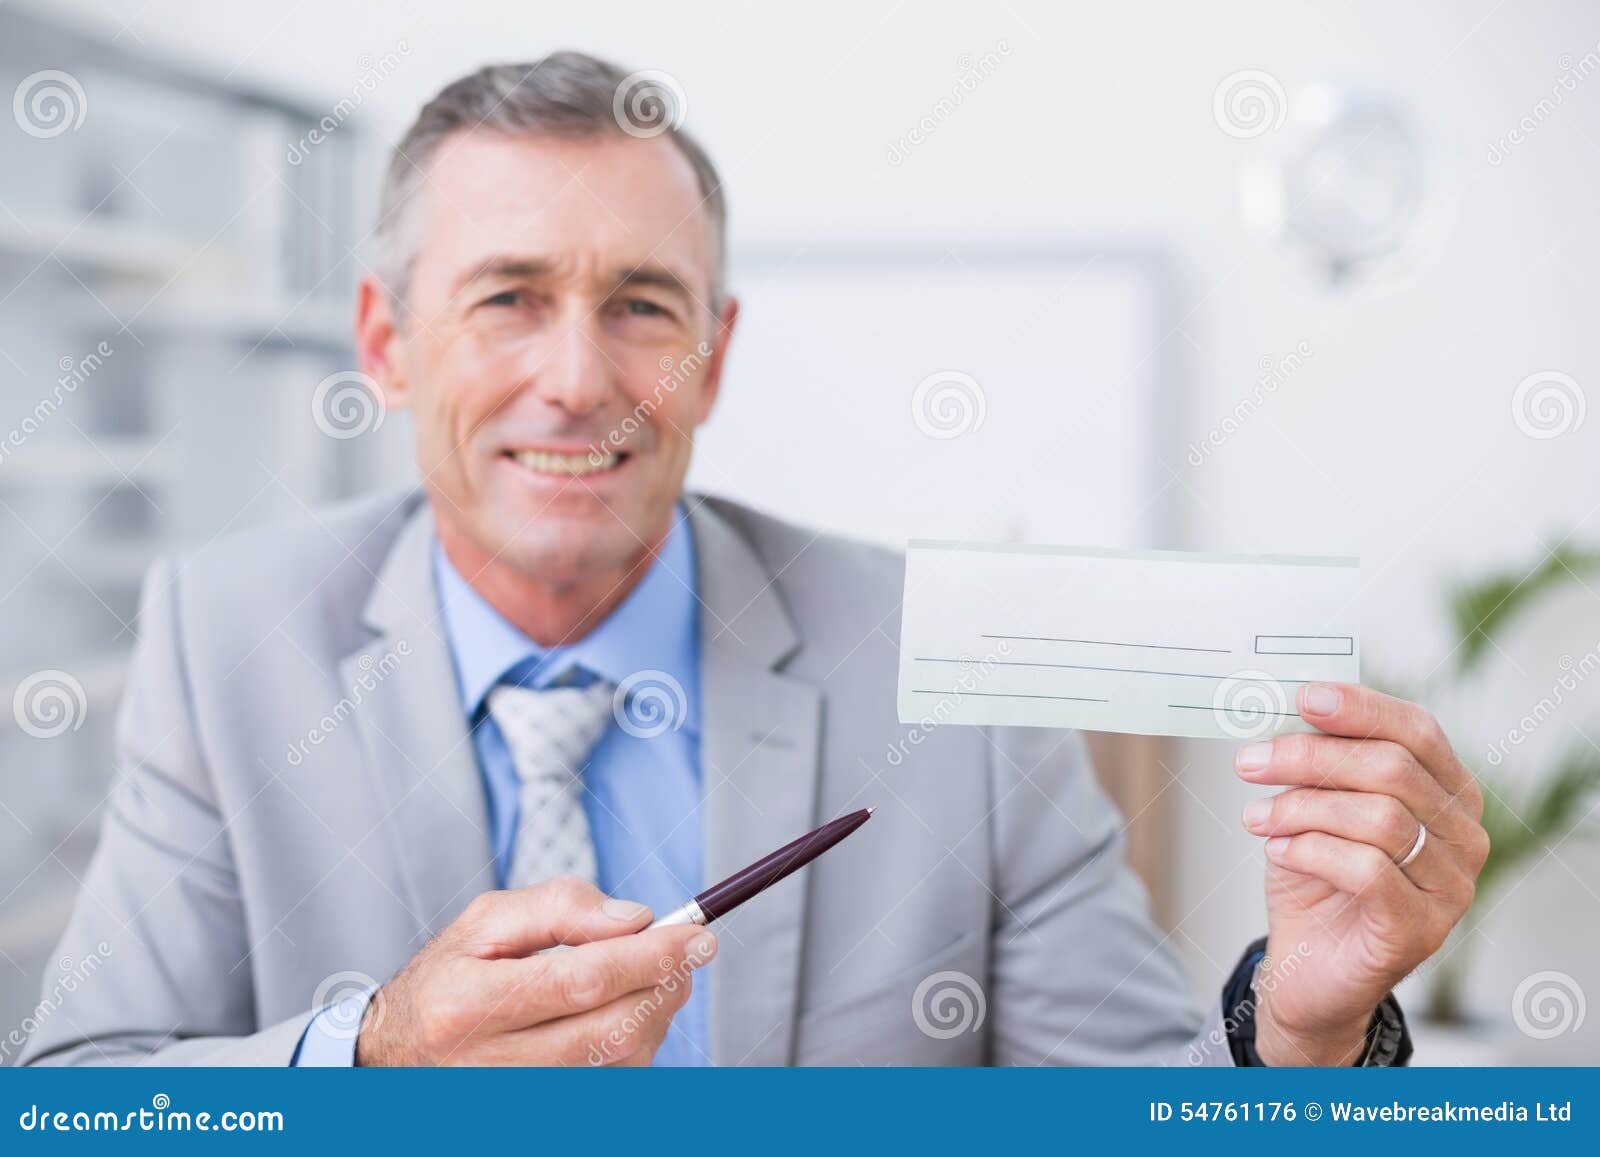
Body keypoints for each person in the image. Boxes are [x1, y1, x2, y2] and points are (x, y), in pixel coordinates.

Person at [20, 52, 1487, 1068]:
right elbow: (89, 1102)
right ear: (386, 344)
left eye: (643, 305)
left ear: (714, 357)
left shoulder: (941, 672)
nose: (580, 378)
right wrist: (373, 1055)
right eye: (510, 298)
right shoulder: (226, 641)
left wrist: (1297, 1034)